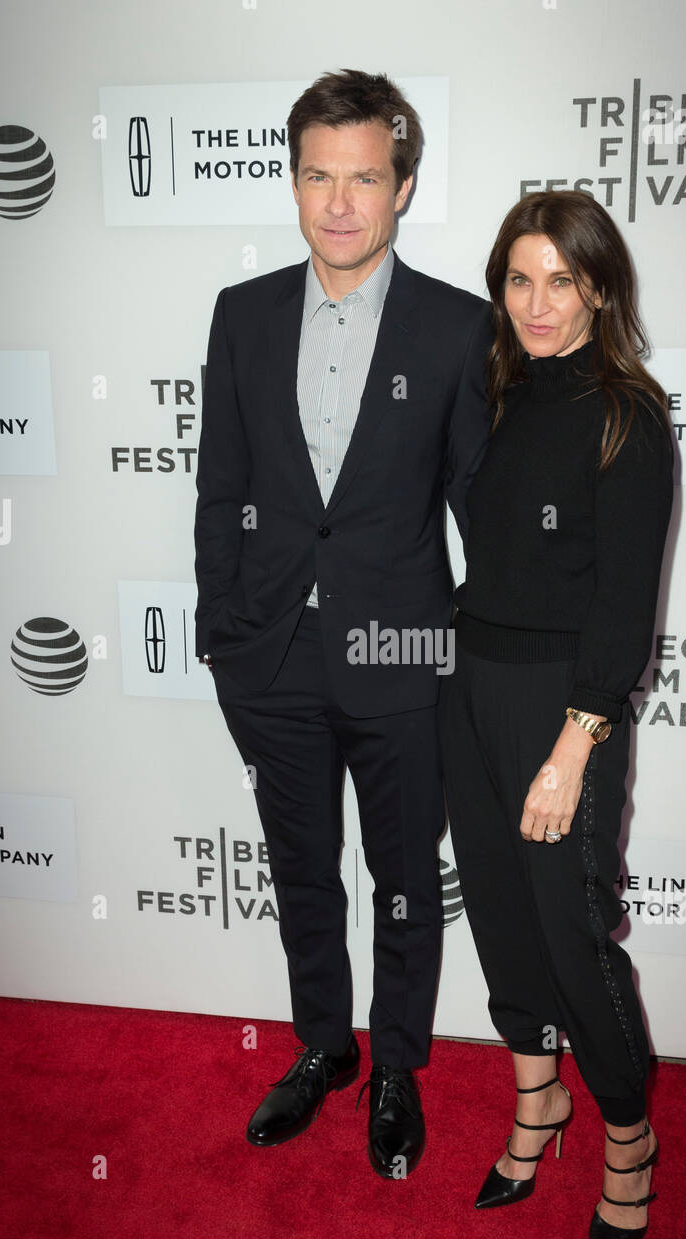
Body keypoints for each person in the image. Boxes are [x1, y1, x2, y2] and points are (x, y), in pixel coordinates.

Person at [193, 69, 492, 1179]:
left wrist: (458, 651)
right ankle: (323, 1046)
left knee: (405, 873)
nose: (338, 202)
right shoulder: (243, 314)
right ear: (292, 179)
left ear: (403, 186)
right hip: (270, 652)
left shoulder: (459, 331)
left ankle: (399, 1068)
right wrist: (223, 631)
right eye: (317, 174)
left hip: (401, 654)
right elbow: (219, 489)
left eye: (364, 177)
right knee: (303, 869)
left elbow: (482, 518)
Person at [437, 190, 674, 1239]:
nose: (538, 303)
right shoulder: (494, 396)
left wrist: (572, 749)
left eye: (561, 281)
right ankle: (539, 1105)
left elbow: (624, 608)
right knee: (498, 917)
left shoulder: (629, 414)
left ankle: (628, 1136)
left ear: (598, 289)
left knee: (573, 936)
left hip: (561, 710)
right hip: (467, 687)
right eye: (519, 280)